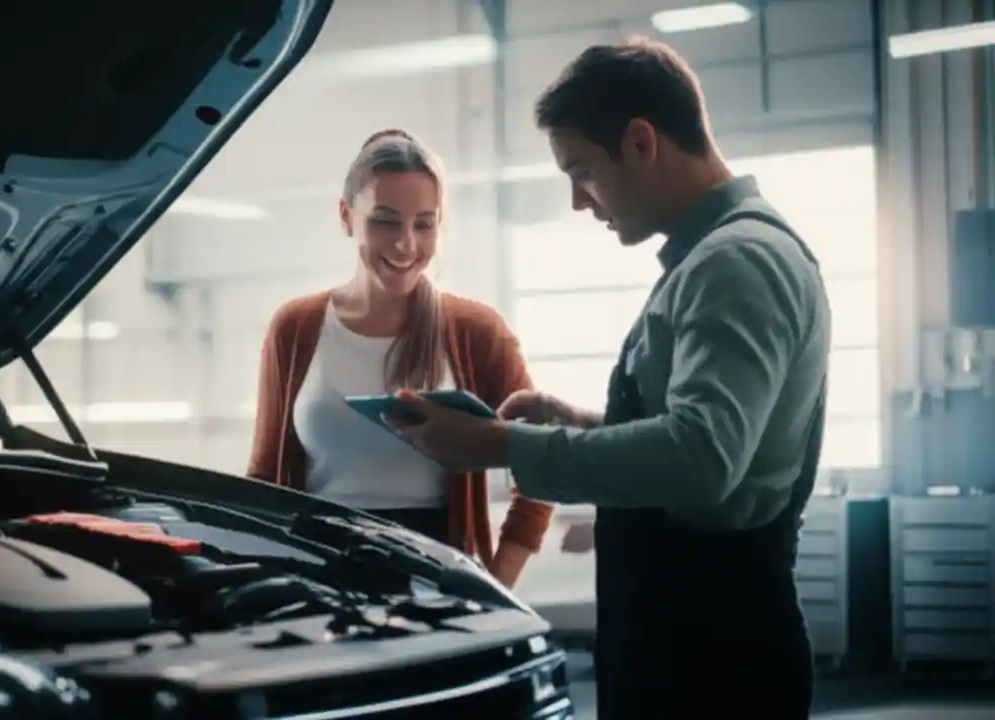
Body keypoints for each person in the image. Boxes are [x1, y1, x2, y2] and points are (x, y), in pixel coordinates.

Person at [383, 38, 831, 718]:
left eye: (583, 171)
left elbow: (703, 460)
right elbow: (715, 435)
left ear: (641, 141)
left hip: (712, 659)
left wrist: (501, 447)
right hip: (692, 638)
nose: (578, 201)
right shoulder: (719, 258)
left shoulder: (735, 262)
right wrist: (579, 423)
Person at [247, 128, 553, 588]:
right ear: (347, 216)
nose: (406, 244)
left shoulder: (476, 330)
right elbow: (263, 480)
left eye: (424, 224)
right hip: (318, 571)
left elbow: (542, 465)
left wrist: (495, 584)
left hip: (436, 576)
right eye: (386, 221)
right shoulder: (296, 325)